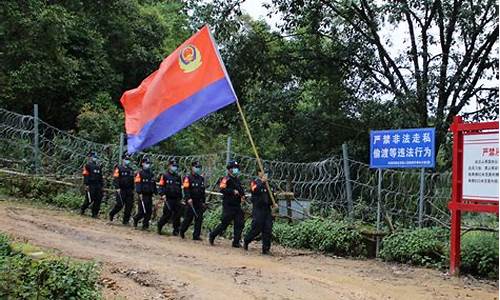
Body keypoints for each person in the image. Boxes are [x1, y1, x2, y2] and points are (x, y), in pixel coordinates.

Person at [209, 160, 245, 248]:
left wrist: (243, 196)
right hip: (228, 205)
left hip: (237, 205)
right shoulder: (226, 179)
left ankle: (236, 242)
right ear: (230, 170)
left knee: (239, 223)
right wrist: (232, 191)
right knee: (224, 224)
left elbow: (241, 191)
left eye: (237, 168)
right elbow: (222, 189)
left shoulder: (237, 180)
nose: (236, 170)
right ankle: (212, 235)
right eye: (234, 168)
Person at [244, 166, 275, 254]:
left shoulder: (269, 185)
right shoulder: (255, 182)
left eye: (267, 173)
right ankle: (247, 240)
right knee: (256, 228)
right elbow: (254, 189)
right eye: (264, 172)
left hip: (267, 209)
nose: (266, 175)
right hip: (258, 209)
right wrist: (262, 182)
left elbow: (271, 196)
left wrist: (273, 203)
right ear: (259, 173)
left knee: (268, 229)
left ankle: (266, 249)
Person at [179, 161, 206, 240]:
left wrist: (203, 201)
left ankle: (196, 235)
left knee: (199, 218)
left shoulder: (201, 179)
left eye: (199, 167)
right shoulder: (188, 178)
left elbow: (202, 191)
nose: (198, 169)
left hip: (199, 201)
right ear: (192, 168)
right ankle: (182, 231)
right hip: (191, 201)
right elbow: (186, 189)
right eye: (196, 167)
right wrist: (188, 198)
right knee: (188, 218)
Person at [157, 160, 183, 236]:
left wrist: (181, 197)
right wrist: (162, 194)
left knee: (177, 215)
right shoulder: (165, 176)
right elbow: (161, 186)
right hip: (168, 198)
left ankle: (176, 230)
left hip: (177, 198)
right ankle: (159, 226)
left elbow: (179, 188)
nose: (175, 168)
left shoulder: (178, 177)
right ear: (169, 166)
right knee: (167, 214)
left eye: (176, 166)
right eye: (173, 166)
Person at [108, 153, 135, 225]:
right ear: (123, 160)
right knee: (120, 204)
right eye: (126, 159)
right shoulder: (118, 168)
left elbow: (132, 180)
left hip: (129, 190)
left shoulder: (131, 170)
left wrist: (133, 189)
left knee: (129, 206)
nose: (127, 161)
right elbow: (116, 178)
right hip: (121, 189)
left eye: (128, 160)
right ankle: (112, 214)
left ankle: (125, 221)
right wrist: (117, 187)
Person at [133, 157, 157, 230]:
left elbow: (153, 183)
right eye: (146, 163)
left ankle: (145, 226)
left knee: (149, 211)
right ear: (142, 164)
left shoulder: (151, 174)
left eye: (149, 163)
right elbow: (138, 183)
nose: (148, 165)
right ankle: (136, 219)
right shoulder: (139, 173)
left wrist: (156, 192)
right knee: (142, 211)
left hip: (149, 194)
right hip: (142, 194)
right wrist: (139, 192)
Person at [80, 151, 104, 218]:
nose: (94, 158)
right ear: (89, 157)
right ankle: (83, 209)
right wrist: (86, 184)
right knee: (89, 199)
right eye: (93, 157)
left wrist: (102, 185)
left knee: (98, 199)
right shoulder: (87, 166)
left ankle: (95, 214)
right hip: (91, 184)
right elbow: (86, 175)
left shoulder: (98, 166)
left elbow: (100, 176)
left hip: (98, 185)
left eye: (95, 157)